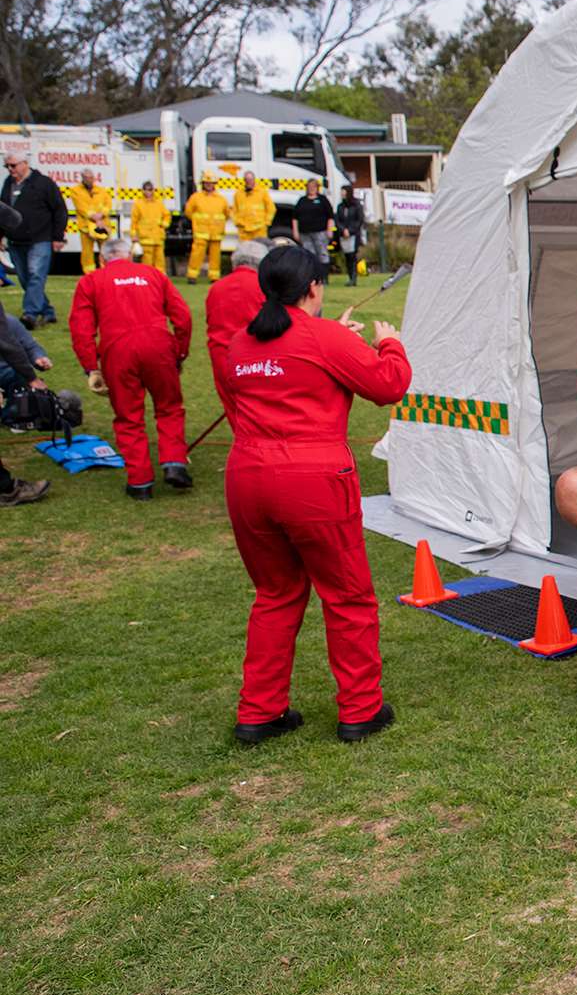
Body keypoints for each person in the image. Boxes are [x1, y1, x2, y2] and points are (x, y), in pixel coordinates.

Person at [222, 245, 411, 745]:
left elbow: (280, 371)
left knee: (275, 593)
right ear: (312, 288)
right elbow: (388, 385)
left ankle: (259, 711)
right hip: (310, 478)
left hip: (248, 475)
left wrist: (335, 341)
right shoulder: (322, 336)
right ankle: (360, 709)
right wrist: (389, 343)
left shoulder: (240, 344)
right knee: (347, 595)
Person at [69, 236, 193, 500]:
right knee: (169, 406)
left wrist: (91, 367)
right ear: (130, 256)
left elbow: (81, 329)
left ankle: (140, 482)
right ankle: (174, 462)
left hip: (118, 351)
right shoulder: (153, 274)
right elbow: (182, 316)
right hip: (159, 346)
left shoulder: (91, 281)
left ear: (102, 259)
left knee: (128, 416)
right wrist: (180, 352)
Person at [205, 238, 270, 422]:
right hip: (256, 358)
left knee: (235, 411)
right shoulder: (263, 286)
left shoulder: (216, 288)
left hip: (222, 358)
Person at [2, 153, 70, 328]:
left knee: (35, 276)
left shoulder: (44, 183)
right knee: (25, 280)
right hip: (15, 240)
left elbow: (59, 210)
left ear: (25, 164)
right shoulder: (8, 184)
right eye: (7, 166)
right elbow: (3, 212)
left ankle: (29, 314)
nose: (10, 169)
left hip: (40, 239)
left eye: (13, 165)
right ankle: (47, 311)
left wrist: (58, 236)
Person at [0, 317, 51, 507]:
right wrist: (30, 378)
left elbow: (24, 344)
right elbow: (7, 344)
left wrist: (36, 363)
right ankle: (5, 490)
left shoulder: (12, 322)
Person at [184, 170, 231, 284]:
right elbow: (188, 212)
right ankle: (192, 276)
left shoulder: (221, 199)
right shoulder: (196, 197)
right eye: (206, 183)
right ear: (203, 184)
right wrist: (197, 221)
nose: (209, 185)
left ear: (215, 184)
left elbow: (227, 214)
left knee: (215, 256)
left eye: (211, 183)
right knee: (197, 254)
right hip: (201, 231)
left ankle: (214, 277)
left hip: (216, 232)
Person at [68, 169, 113, 275]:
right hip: (86, 227)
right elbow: (81, 207)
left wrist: (102, 215)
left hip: (102, 225)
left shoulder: (101, 190)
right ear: (82, 178)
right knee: (87, 252)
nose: (89, 180)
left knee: (106, 249)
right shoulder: (75, 191)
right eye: (87, 177)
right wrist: (94, 217)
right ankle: (89, 273)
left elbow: (108, 204)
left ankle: (106, 271)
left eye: (91, 177)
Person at [291, 179, 335, 279]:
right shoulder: (302, 200)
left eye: (313, 186)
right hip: (305, 233)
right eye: (309, 186)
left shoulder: (322, 199)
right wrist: (295, 231)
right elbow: (295, 218)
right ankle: (312, 276)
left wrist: (330, 230)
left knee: (322, 254)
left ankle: (324, 277)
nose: (311, 189)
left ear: (317, 188)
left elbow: (330, 216)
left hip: (320, 232)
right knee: (309, 255)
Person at [131, 181, 171, 274]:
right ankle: (148, 277)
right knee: (147, 261)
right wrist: (133, 235)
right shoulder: (138, 204)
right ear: (143, 190)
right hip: (145, 238)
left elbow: (167, 215)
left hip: (158, 237)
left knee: (160, 261)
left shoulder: (159, 203)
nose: (148, 192)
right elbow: (134, 221)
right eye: (146, 190)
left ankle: (161, 278)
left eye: (150, 189)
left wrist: (164, 224)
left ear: (153, 190)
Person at [335, 185, 365, 285]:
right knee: (347, 256)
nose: (342, 194)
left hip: (353, 235)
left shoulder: (356, 205)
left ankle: (354, 278)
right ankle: (350, 277)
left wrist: (350, 230)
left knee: (353, 256)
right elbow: (337, 220)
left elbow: (359, 219)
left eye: (344, 191)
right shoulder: (340, 206)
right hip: (343, 235)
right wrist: (343, 230)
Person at [232, 171, 275, 242]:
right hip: (244, 230)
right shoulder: (238, 194)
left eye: (250, 180)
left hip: (259, 230)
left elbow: (271, 208)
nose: (249, 182)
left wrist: (267, 222)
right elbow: (234, 210)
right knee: (245, 251)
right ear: (244, 180)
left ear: (254, 180)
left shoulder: (262, 192)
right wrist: (237, 222)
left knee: (260, 250)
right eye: (247, 180)